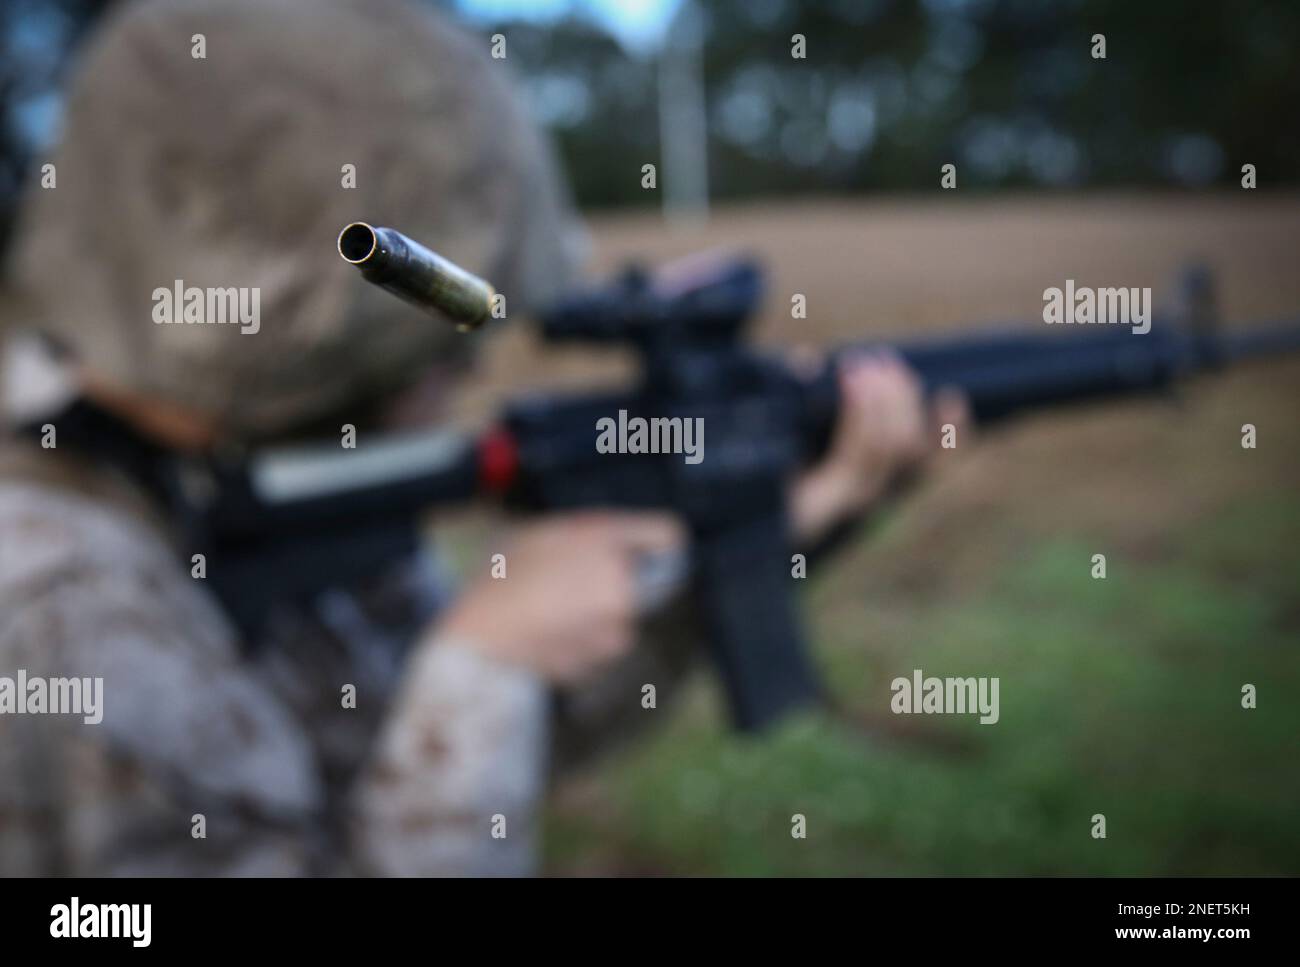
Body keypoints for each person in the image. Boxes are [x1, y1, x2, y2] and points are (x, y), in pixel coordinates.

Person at [0, 0, 962, 876]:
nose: (467, 371)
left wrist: (741, 552)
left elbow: (473, 742)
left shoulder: (272, 472)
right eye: (443, 345)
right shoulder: (46, 614)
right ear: (320, 349)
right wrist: (477, 670)